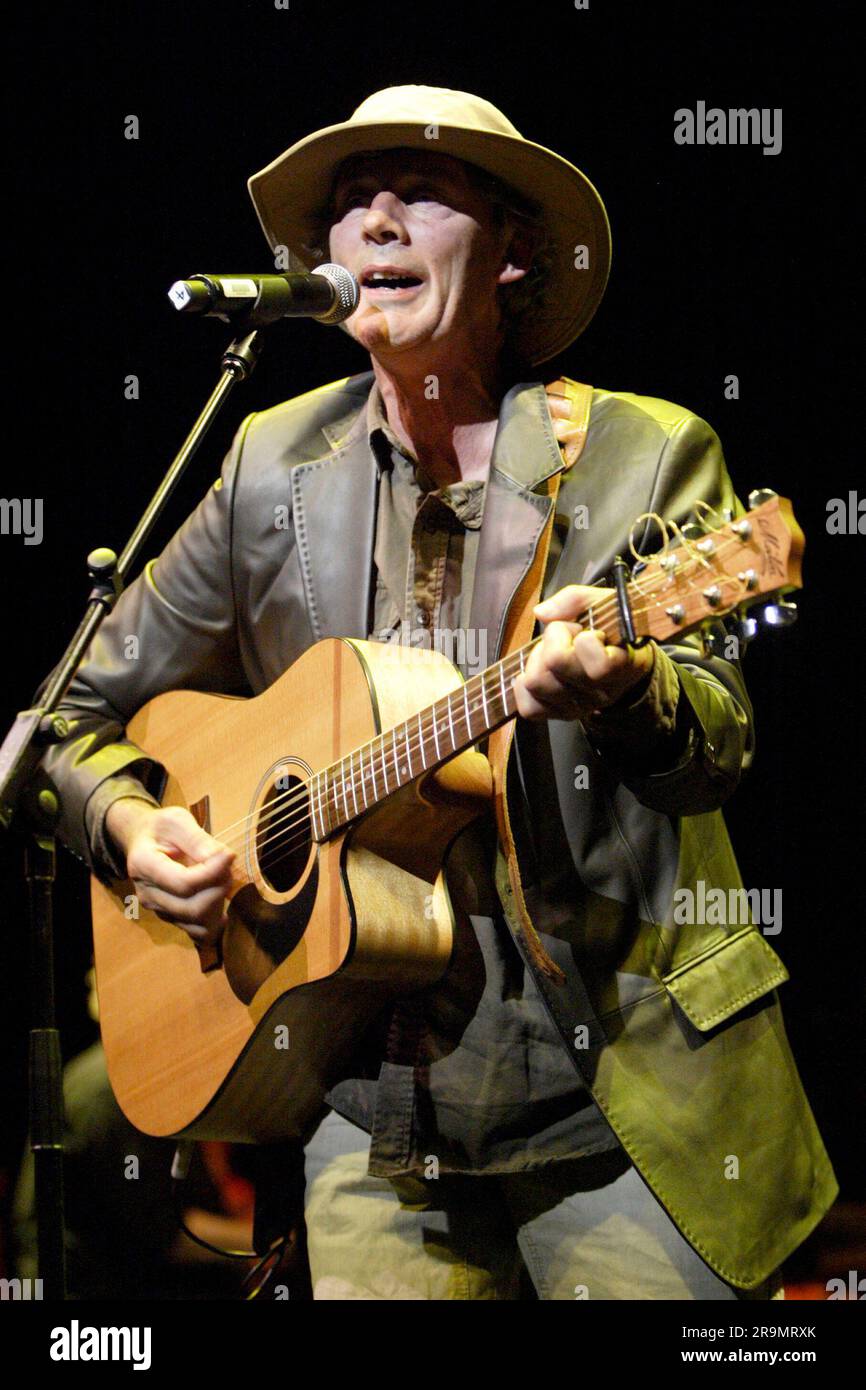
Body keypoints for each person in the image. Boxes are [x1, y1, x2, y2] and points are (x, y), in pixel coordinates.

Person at [36, 85, 837, 1300]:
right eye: (351, 203)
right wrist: (130, 827)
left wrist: (622, 690)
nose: (374, 223)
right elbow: (61, 718)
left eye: (420, 192)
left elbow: (714, 749)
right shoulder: (268, 464)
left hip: (622, 1102)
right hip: (375, 1121)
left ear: (515, 252)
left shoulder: (639, 454)